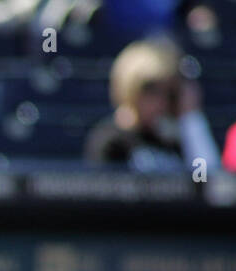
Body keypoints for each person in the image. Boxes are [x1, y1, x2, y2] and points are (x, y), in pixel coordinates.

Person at [84, 37, 221, 173]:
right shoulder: (110, 141)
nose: (160, 102)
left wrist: (191, 119)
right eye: (151, 90)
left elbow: (206, 178)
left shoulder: (172, 139)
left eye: (167, 92)